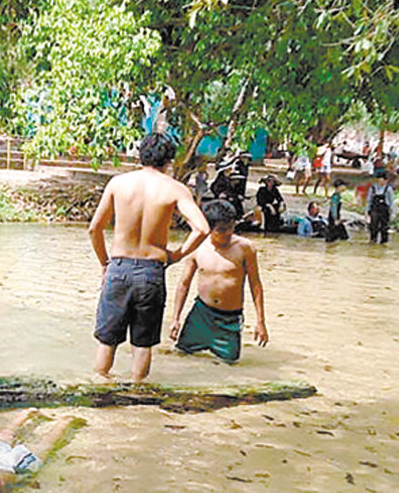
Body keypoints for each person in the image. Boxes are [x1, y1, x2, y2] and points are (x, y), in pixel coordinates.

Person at [88, 133, 210, 380]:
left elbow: (94, 228)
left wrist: (104, 264)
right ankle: (137, 400)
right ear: (168, 161)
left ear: (140, 155)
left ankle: (98, 393)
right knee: (142, 345)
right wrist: (176, 256)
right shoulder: (175, 189)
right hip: (151, 271)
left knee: (107, 341)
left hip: (118, 268)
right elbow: (202, 229)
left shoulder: (118, 183)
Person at [169, 199, 268, 364]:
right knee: (181, 356)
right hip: (201, 314)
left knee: (229, 364)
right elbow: (183, 284)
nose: (228, 233)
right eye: (221, 230)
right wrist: (175, 318)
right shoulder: (197, 248)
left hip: (229, 319)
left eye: (231, 227)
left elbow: (255, 285)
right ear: (209, 229)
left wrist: (260, 321)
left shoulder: (245, 248)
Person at [366, 172, 394, 244]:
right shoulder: (372, 188)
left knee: (384, 227)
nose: (381, 182)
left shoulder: (388, 189)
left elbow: (390, 201)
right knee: (373, 226)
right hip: (374, 209)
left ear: (386, 181)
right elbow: (369, 200)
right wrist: (367, 211)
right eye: (379, 180)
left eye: (383, 181)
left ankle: (384, 242)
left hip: (384, 210)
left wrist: (392, 212)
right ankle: (373, 240)